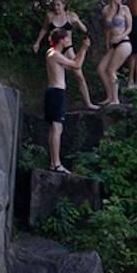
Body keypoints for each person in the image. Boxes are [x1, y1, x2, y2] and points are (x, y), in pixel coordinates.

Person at [33, 0, 99, 109]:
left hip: (68, 48)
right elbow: (44, 28)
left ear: (64, 5)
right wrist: (37, 42)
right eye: (55, 5)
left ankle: (88, 103)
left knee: (79, 75)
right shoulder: (50, 16)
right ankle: (51, 102)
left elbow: (84, 29)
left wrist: (78, 22)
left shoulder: (70, 16)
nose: (56, 8)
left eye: (59, 5)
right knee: (54, 78)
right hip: (56, 50)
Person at [43, 26, 88, 174]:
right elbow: (76, 65)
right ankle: (56, 163)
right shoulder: (55, 54)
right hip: (56, 92)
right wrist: (83, 48)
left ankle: (53, 163)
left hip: (52, 92)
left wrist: (79, 52)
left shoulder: (52, 53)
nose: (68, 40)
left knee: (55, 128)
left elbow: (71, 65)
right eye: (66, 38)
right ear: (61, 40)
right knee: (56, 128)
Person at [97, 0, 131, 106]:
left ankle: (116, 99)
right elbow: (106, 29)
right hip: (113, 43)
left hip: (123, 41)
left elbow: (129, 27)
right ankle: (110, 95)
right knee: (101, 68)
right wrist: (107, 43)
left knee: (111, 69)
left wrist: (121, 36)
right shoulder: (106, 10)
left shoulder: (125, 9)